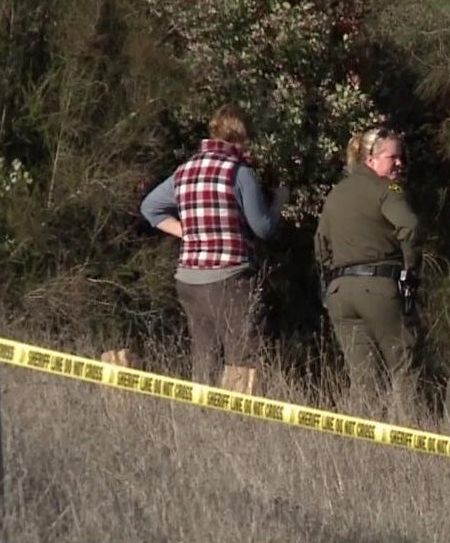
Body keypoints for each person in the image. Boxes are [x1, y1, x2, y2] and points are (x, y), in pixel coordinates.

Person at [140, 103, 288, 394]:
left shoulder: (185, 171)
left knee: (204, 357)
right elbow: (263, 228)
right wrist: (279, 200)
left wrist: (187, 232)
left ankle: (200, 419)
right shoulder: (238, 172)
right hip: (228, 277)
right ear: (241, 136)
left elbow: (150, 208)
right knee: (243, 357)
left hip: (188, 278)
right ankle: (238, 423)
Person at [314, 127, 422, 416]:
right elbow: (409, 226)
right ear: (371, 160)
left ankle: (362, 446)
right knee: (404, 366)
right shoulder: (388, 190)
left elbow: (320, 243)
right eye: (393, 157)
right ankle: (406, 437)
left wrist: (330, 280)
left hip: (339, 292)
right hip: (379, 287)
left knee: (363, 379)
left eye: (402, 157)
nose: (400, 164)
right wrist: (411, 270)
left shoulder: (336, 193)